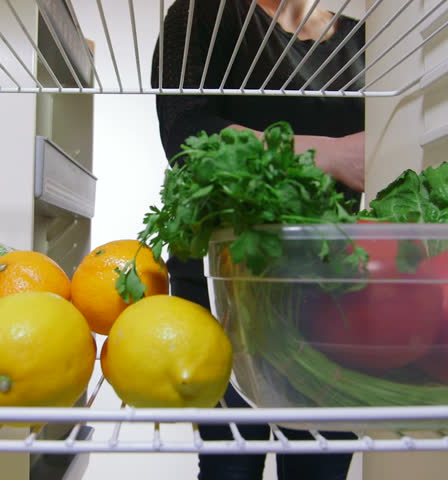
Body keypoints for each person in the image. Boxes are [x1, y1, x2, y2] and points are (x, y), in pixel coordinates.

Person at [150, 1, 365, 479]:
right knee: (231, 462)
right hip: (224, 275)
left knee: (321, 465)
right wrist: (332, 154)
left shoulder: (359, 38)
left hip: (327, 284)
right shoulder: (204, 14)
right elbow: (189, 136)